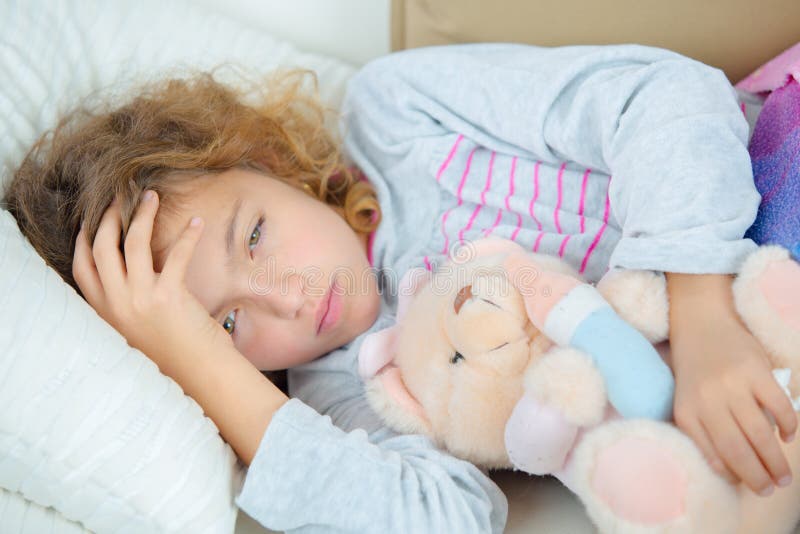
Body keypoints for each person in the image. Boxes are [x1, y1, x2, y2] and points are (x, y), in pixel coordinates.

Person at [5, 43, 799, 533]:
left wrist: (703, 314)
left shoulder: (399, 116)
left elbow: (660, 95)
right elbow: (449, 522)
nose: (287, 295)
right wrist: (204, 368)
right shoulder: (340, 399)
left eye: (254, 234)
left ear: (265, 162)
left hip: (766, 187)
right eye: (227, 324)